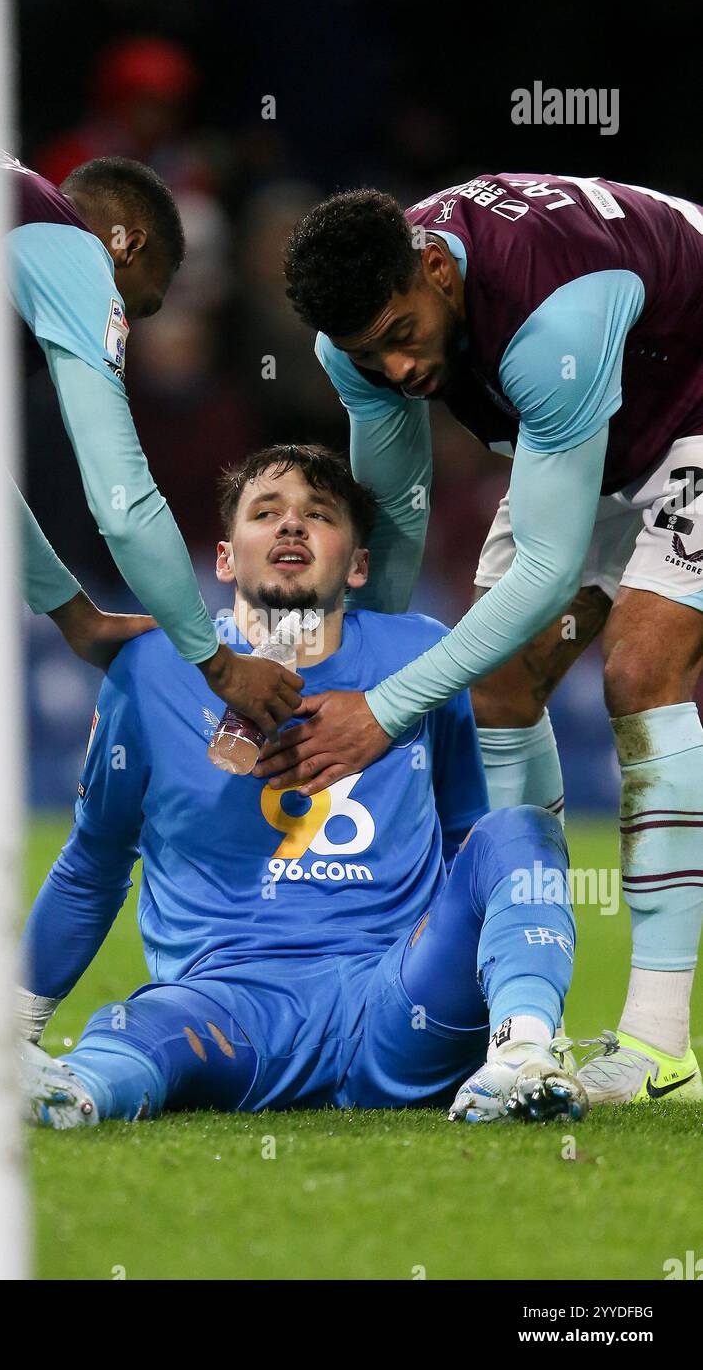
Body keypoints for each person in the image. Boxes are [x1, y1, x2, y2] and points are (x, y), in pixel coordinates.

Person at [0, 141, 299, 1117]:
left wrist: (71, 610)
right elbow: (123, 498)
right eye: (142, 295)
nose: (126, 322)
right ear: (119, 240)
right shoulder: (60, 238)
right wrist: (210, 656)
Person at [269, 173, 703, 1105]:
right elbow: (395, 529)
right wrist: (353, 672)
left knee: (640, 669)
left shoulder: (553, 319)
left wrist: (383, 710)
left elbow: (546, 572)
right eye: (366, 355)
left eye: (399, 338)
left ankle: (661, 1043)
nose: (395, 371)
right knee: (495, 684)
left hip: (692, 415)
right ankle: (524, 1003)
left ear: (436, 268)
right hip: (602, 437)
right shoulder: (366, 334)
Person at [18, 443, 587, 1127]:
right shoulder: (150, 673)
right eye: (267, 512)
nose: (292, 525)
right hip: (229, 1012)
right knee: (137, 1026)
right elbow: (93, 865)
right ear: (223, 558)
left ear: (358, 565)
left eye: (318, 514)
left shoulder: (420, 654)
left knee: (521, 829)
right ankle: (63, 1093)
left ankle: (523, 1058)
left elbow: (470, 843)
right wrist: (13, 1026)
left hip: (402, 1004)